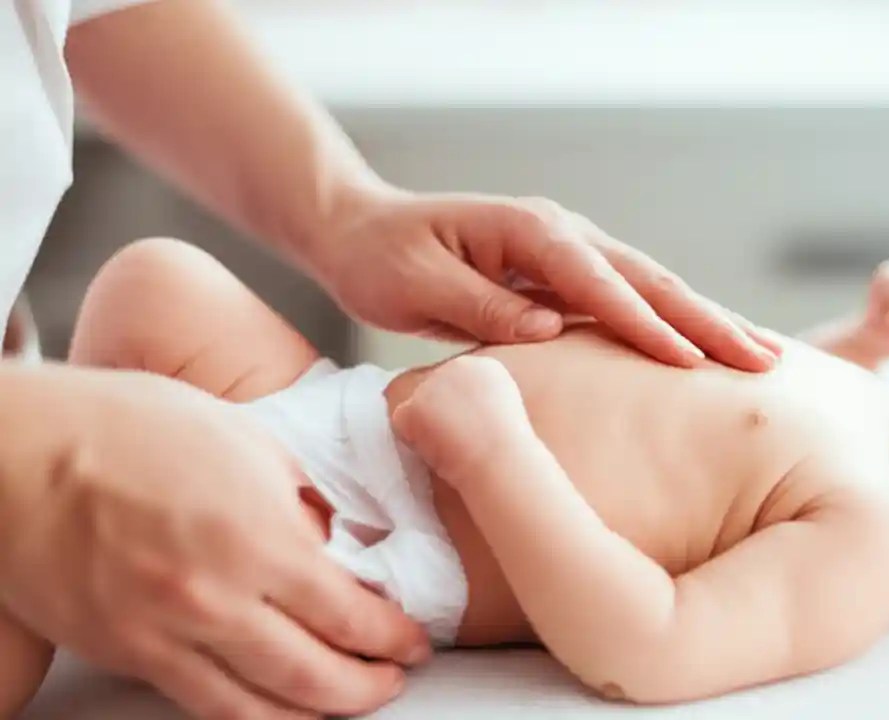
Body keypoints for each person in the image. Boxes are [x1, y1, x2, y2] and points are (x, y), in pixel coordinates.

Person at [8, 239, 889, 710]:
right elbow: (738, 406)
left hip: (354, 523)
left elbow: (653, 644)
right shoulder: (878, 412)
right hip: (331, 404)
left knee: (18, 637)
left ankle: (55, 563)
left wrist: (497, 459)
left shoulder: (874, 545)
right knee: (152, 281)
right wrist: (858, 348)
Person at [0, 1, 779, 717]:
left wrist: (345, 211)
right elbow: (652, 646)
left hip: (344, 462)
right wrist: (26, 450)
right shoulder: (873, 507)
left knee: (156, 282)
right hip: (364, 518)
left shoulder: (874, 486)